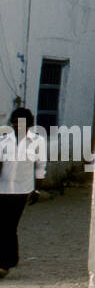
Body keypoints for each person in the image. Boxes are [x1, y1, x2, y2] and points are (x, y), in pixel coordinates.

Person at [0, 107, 46, 277]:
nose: (18, 126)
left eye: (22, 123)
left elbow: (40, 166)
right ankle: (10, 259)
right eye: (15, 122)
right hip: (2, 188)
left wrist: (37, 190)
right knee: (4, 226)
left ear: (28, 125)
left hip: (22, 190)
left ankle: (5, 263)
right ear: (12, 123)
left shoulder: (37, 142)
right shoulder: (3, 141)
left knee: (9, 225)